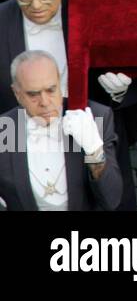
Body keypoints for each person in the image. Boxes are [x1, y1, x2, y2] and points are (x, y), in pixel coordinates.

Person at [0, 0, 137, 210]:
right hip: (20, 135)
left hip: (92, 124)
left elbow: (133, 61)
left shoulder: (96, 12)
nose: (36, 5)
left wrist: (119, 91)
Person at [0, 51, 121, 211]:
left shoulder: (95, 116)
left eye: (51, 90)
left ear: (60, 83)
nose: (45, 102)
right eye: (33, 94)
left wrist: (94, 151)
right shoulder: (3, 129)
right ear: (17, 93)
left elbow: (111, 199)